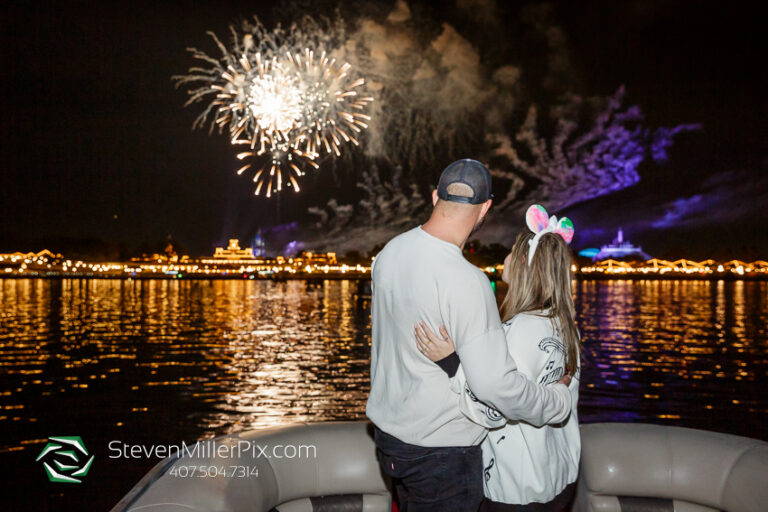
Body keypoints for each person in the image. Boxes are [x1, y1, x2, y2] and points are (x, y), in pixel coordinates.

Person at [366, 160, 572, 512]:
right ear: (485, 209)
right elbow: (496, 387)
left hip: (391, 441)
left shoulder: (388, 254)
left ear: (435, 197)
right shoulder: (467, 280)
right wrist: (558, 399)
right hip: (441, 453)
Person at [415, 204, 581, 512]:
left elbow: (493, 408)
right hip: (556, 476)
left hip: (518, 488)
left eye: (509, 251)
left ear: (522, 262)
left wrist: (452, 362)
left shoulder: (518, 329)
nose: (502, 258)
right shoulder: (564, 324)